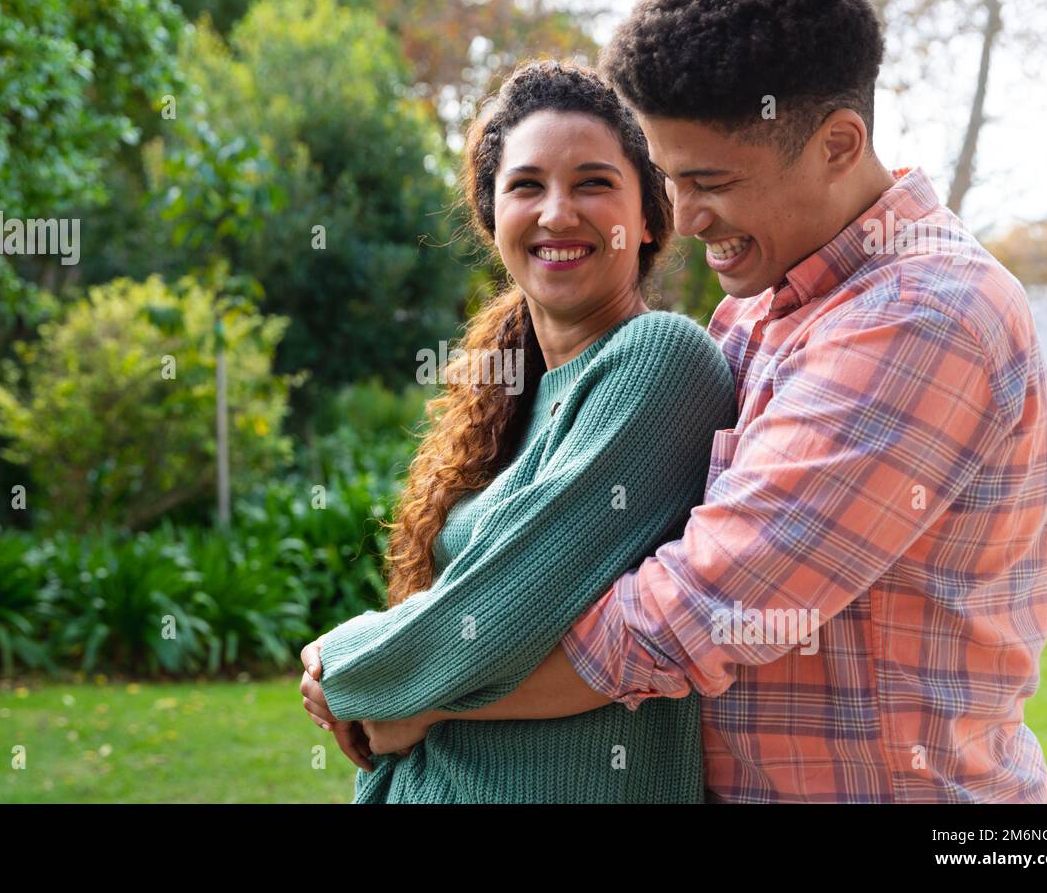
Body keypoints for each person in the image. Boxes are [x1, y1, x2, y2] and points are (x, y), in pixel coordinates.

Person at [304, 0, 1047, 803]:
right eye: (669, 178)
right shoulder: (757, 310)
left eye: (709, 181)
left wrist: (425, 700)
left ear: (839, 145)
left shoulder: (927, 317)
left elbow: (689, 613)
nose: (685, 216)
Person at [300, 59, 735, 802]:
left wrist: (343, 663)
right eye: (527, 186)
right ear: (492, 216)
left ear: (651, 215)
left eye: (594, 183)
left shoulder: (662, 360)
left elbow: (501, 608)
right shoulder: (513, 394)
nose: (558, 213)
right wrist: (401, 690)